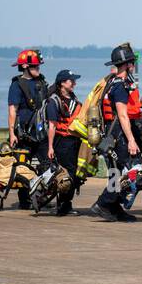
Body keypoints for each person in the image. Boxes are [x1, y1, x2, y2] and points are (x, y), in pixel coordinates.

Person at [88, 43, 142, 223]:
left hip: (109, 134)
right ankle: (104, 203)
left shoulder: (110, 82)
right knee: (135, 171)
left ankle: (115, 208)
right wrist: (131, 140)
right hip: (118, 133)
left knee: (115, 172)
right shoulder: (120, 86)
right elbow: (122, 115)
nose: (133, 65)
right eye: (131, 62)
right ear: (127, 64)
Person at [7, 48, 51, 210]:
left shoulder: (42, 82)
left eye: (39, 66)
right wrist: (12, 133)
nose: (38, 69)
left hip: (41, 132)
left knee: (48, 164)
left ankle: (43, 195)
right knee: (23, 167)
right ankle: (25, 200)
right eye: (35, 67)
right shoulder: (17, 85)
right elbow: (12, 109)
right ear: (25, 66)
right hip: (24, 133)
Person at [44, 69, 84, 216]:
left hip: (74, 140)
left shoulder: (73, 99)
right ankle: (63, 205)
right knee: (66, 174)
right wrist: (50, 147)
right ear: (62, 83)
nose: (74, 83)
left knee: (74, 173)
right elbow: (52, 125)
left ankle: (66, 203)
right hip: (62, 141)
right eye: (71, 81)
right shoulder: (54, 101)